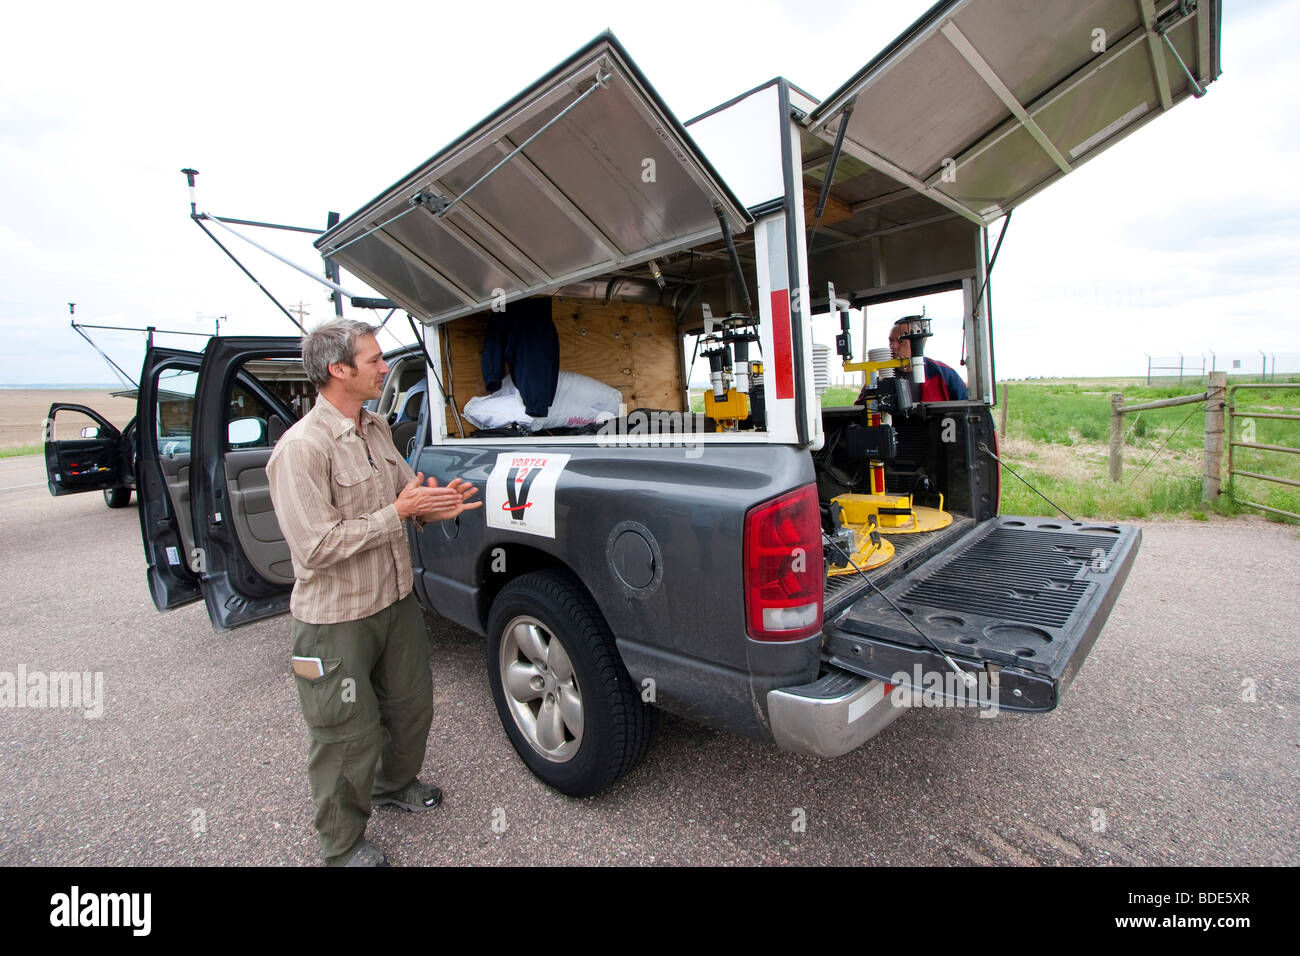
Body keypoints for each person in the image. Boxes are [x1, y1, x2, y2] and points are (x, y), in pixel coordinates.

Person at [267, 318, 481, 867]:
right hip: (335, 618)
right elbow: (315, 548)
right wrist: (400, 513)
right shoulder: (301, 449)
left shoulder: (377, 427)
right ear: (338, 370)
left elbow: (403, 492)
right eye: (373, 360)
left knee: (411, 709)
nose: (385, 368)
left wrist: (435, 504)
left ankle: (392, 787)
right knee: (346, 736)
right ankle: (340, 848)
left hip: (395, 602)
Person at [856, 317, 969, 404]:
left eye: (901, 341)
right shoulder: (878, 376)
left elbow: (966, 407)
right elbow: (858, 412)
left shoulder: (945, 375)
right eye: (891, 340)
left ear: (920, 343)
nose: (893, 346)